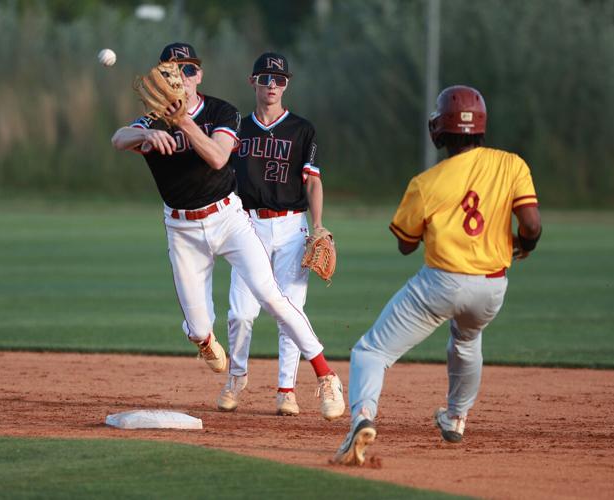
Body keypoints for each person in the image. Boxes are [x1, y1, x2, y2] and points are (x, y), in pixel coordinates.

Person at [111, 42, 345, 421]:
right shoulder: (152, 120)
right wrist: (143, 136)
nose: (180, 78)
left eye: (188, 70)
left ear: (199, 76)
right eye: (172, 71)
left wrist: (183, 121)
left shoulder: (222, 111)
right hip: (181, 229)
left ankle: (327, 376)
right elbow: (118, 139)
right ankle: (205, 342)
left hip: (230, 219)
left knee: (272, 297)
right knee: (200, 327)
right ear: (159, 78)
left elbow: (219, 156)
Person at [331, 85, 542, 465]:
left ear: (440, 130)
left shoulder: (426, 183)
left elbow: (405, 245)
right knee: (466, 338)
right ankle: (456, 417)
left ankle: (362, 419)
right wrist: (525, 245)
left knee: (372, 350)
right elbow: (531, 224)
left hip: (441, 283)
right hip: (492, 286)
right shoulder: (512, 164)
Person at [216, 52, 326, 416]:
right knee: (240, 313)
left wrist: (319, 225)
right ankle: (236, 377)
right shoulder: (238, 130)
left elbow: (312, 181)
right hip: (247, 226)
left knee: (290, 311)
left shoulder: (301, 129)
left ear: (286, 84)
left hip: (292, 226)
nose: (273, 85)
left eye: (279, 79)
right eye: (266, 78)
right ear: (253, 82)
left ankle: (286, 390)